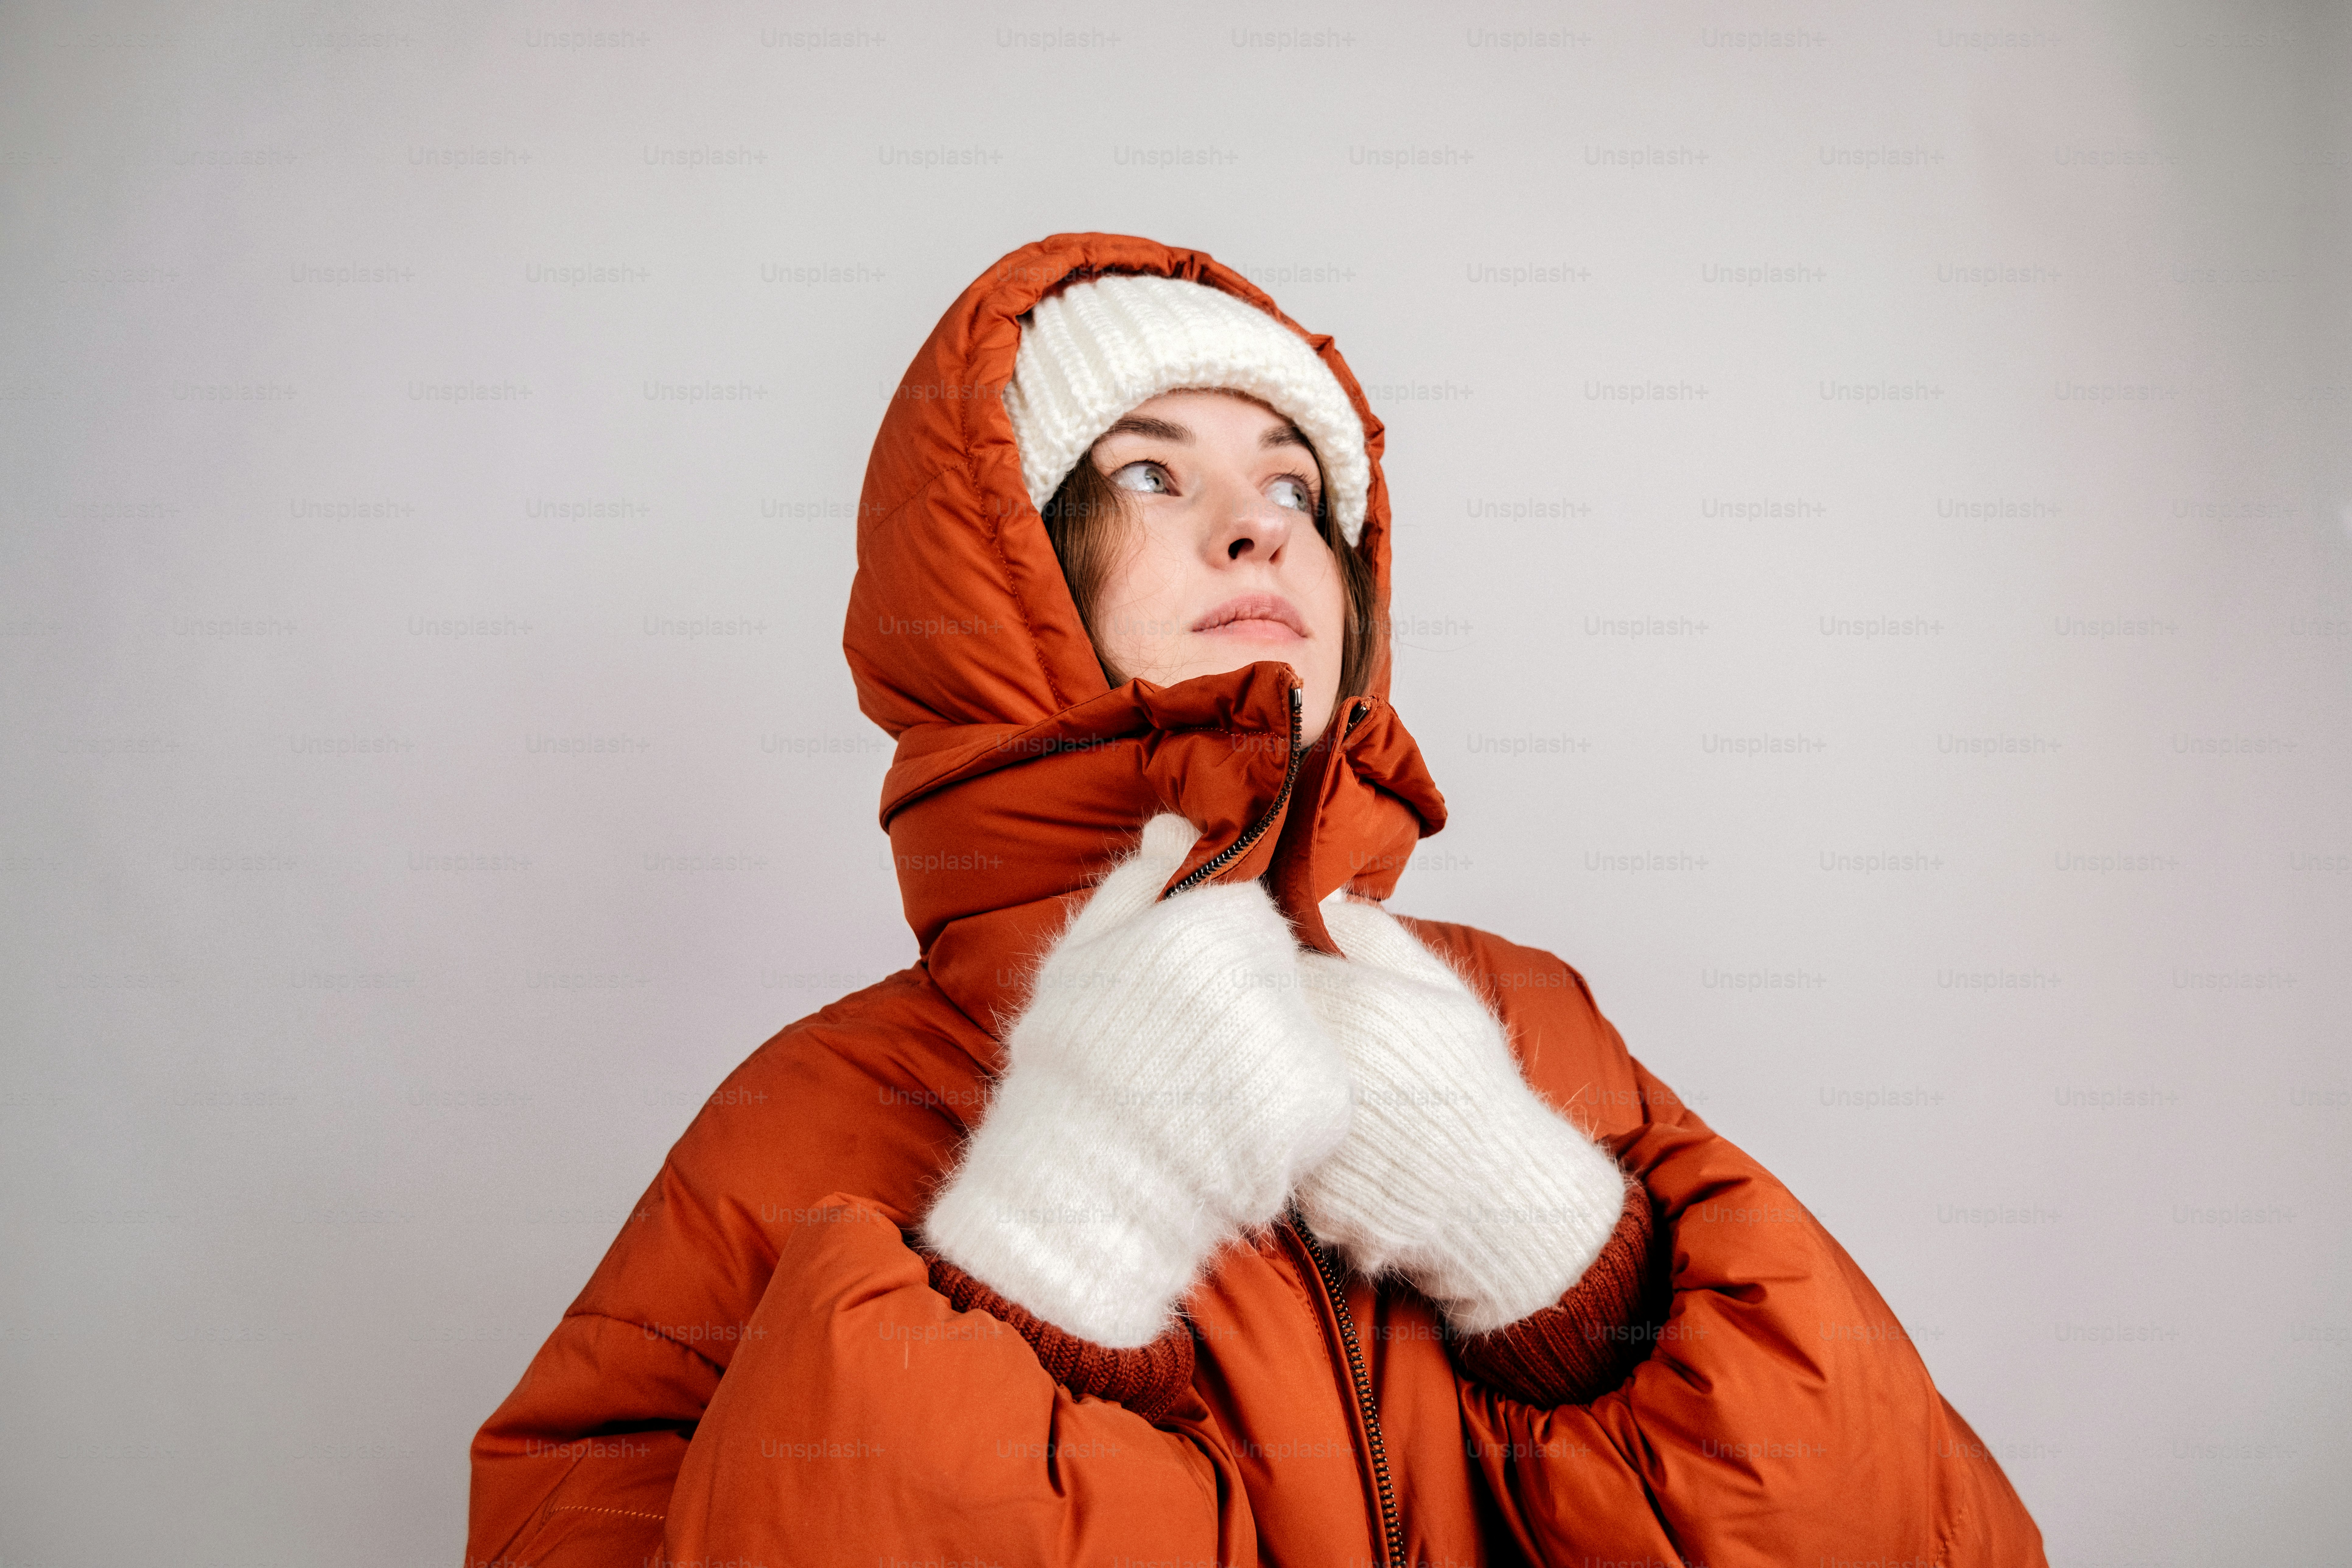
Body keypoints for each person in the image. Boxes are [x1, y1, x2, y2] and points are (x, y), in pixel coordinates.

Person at [467, 233, 2046, 1567]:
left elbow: (1928, 1533)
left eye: (1298, 485)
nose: (1258, 524)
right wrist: (1047, 1256)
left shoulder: (1535, 1023)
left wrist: (1565, 1268)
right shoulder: (813, 1117)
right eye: (1151, 473)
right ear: (1005, 582)